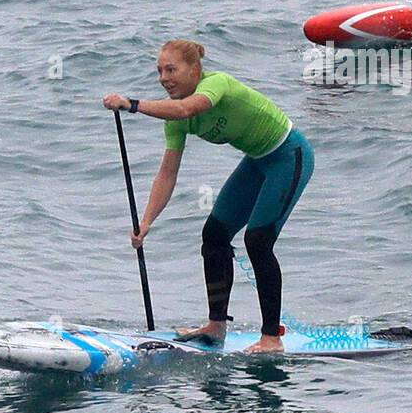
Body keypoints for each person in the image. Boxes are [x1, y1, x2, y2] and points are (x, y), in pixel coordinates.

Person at [103, 40, 314, 354]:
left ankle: (272, 338)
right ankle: (216, 327)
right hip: (257, 161)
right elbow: (167, 173)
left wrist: (132, 104)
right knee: (214, 234)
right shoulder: (176, 119)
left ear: (195, 70)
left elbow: (189, 107)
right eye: (160, 71)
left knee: (257, 240)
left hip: (288, 154)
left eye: (171, 69)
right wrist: (146, 221)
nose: (164, 77)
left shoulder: (216, 84)